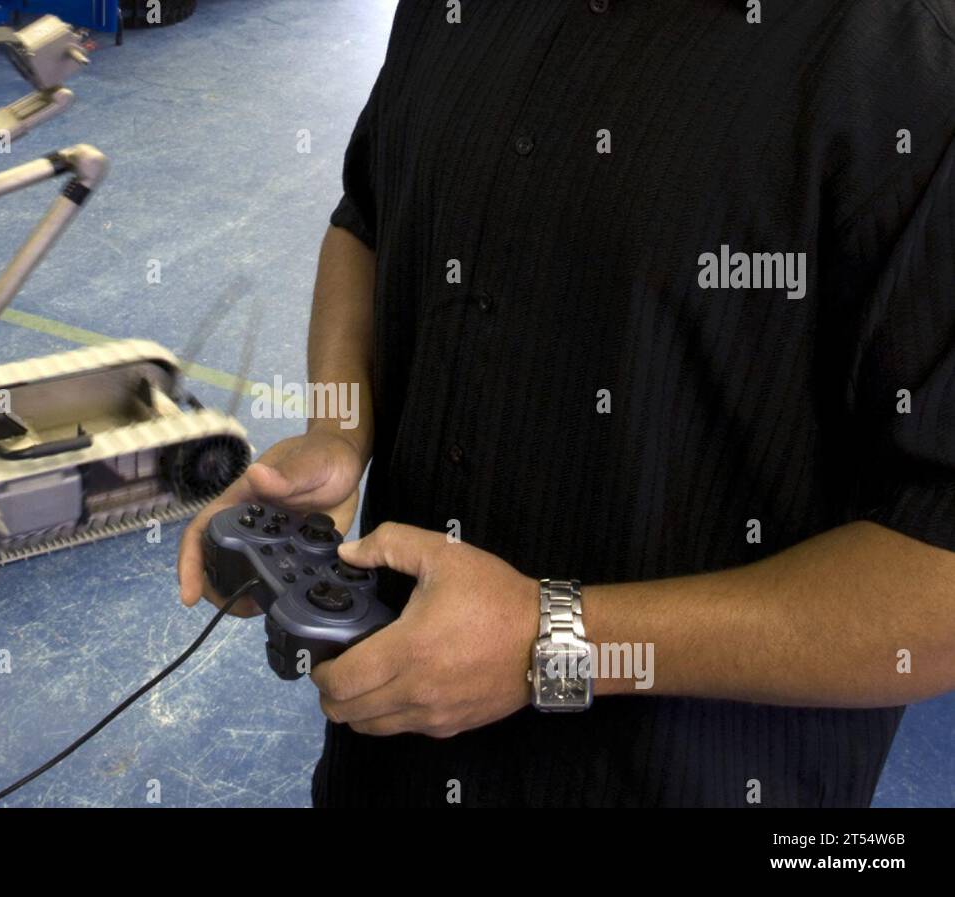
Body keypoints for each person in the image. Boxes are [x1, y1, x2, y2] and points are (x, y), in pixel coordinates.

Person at [179, 0, 955, 807]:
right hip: (389, 752)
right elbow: (366, 216)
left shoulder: (909, 62)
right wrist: (340, 430)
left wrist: (553, 642)